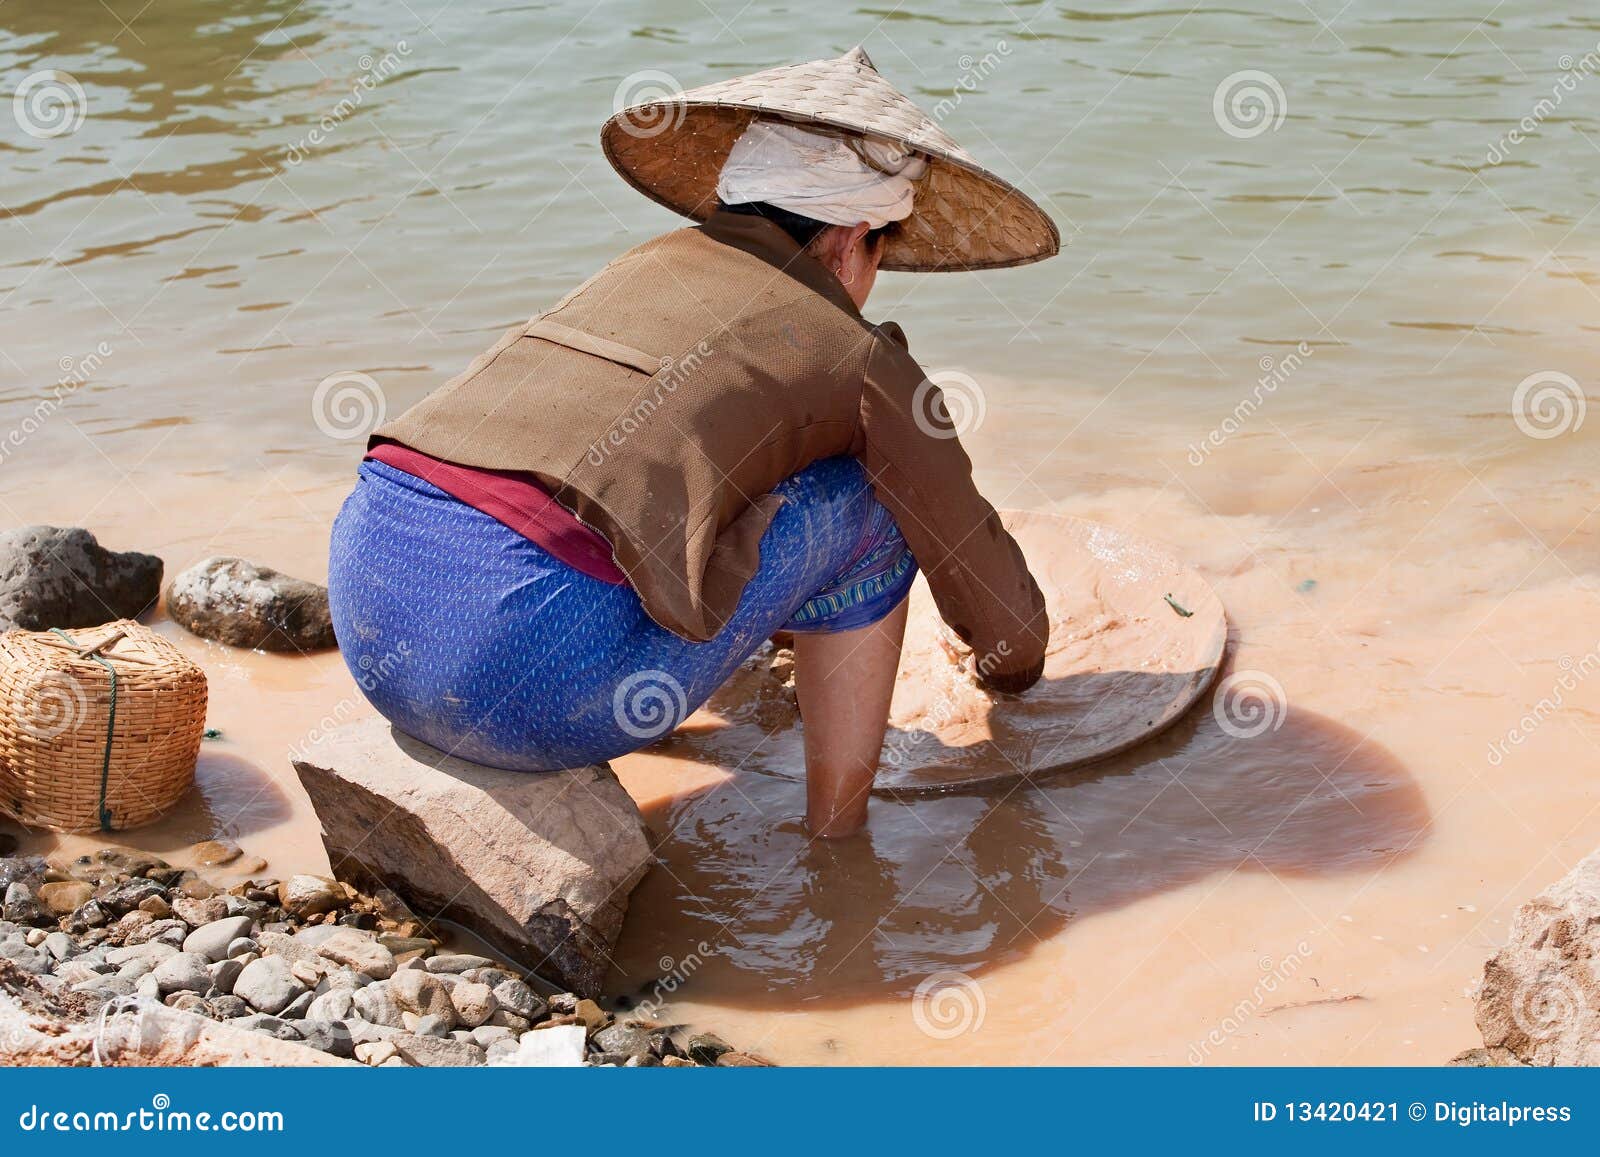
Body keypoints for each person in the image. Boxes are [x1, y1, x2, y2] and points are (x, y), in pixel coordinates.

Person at [326, 47, 1060, 837]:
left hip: (371, 614)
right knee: (876, 506)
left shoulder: (640, 267)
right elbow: (971, 564)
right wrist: (1015, 671)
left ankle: (714, 678)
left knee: (670, 471)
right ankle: (838, 841)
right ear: (853, 241)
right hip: (529, 680)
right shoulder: (862, 356)